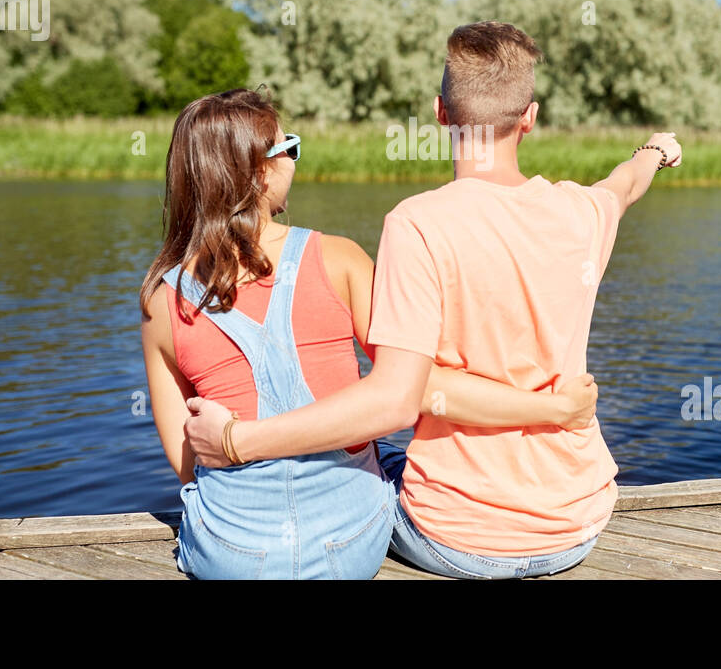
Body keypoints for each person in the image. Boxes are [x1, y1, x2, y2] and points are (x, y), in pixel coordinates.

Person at [186, 22, 682, 578]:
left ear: (441, 114)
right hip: (577, 523)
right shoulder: (581, 212)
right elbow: (625, 184)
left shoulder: (416, 225)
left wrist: (237, 440)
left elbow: (410, 392)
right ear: (530, 118)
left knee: (356, 474)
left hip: (456, 537)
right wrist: (657, 148)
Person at [140, 88, 598, 580]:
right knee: (403, 460)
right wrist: (553, 408)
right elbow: (416, 389)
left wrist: (237, 444)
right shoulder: (339, 261)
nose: (295, 160)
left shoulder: (162, 302)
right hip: (349, 544)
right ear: (259, 171)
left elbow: (187, 461)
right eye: (288, 148)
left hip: (231, 554)